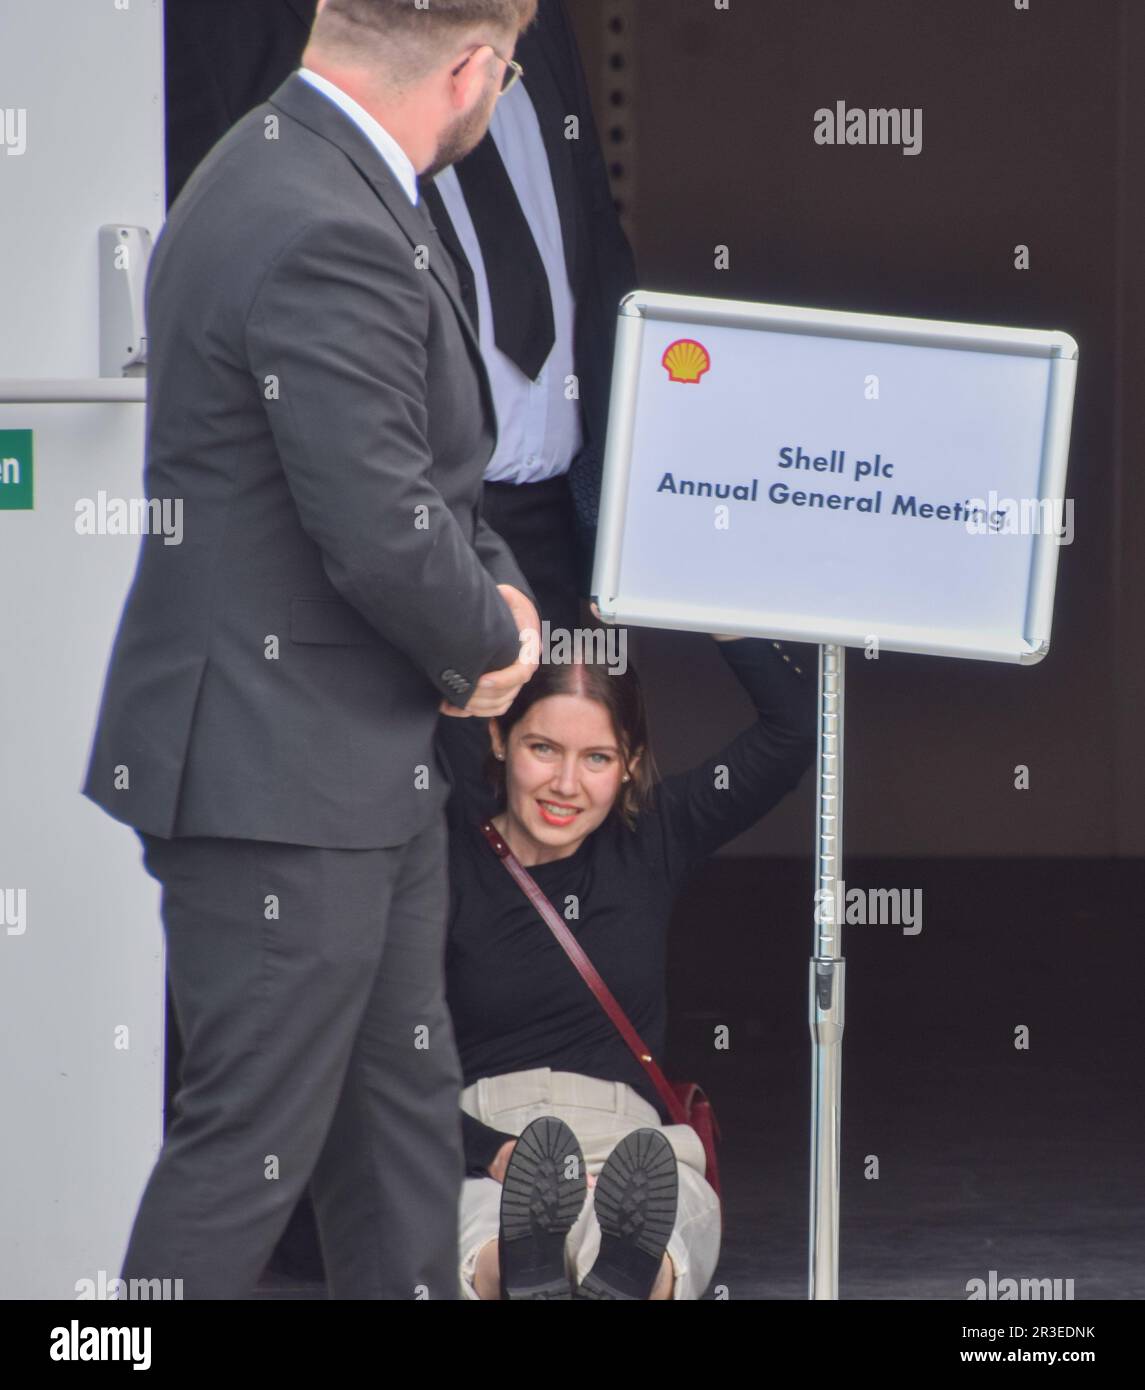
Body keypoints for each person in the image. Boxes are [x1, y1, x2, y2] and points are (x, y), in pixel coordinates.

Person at [81, 0, 542, 1299]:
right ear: (470, 69)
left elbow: (428, 484)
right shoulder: (323, 217)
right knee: (250, 1153)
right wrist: (489, 644)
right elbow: (384, 533)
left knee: (398, 1130)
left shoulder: (292, 166)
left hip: (351, 773)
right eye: (504, 74)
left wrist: (493, 602)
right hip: (282, 777)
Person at [438, 632, 819, 1298]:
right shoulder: (438, 855)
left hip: (632, 1155)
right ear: (498, 739)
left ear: (629, 764)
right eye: (542, 749)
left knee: (664, 1224)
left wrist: (720, 613)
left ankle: (585, 1268)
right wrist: (495, 1153)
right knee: (478, 1235)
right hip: (490, 1145)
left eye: (597, 758)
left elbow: (794, 732)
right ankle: (534, 1264)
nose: (565, 784)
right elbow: (386, 1063)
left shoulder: (654, 838)